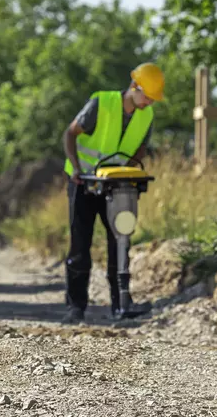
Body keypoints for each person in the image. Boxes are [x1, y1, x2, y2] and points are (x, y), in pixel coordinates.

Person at [60, 63, 165, 324]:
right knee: (80, 245)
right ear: (134, 86)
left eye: (153, 99)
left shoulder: (146, 115)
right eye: (147, 96)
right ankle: (76, 307)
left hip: (117, 185)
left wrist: (131, 169)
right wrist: (75, 168)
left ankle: (121, 305)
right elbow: (70, 134)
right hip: (84, 182)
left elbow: (140, 148)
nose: (149, 102)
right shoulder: (102, 103)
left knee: (120, 242)